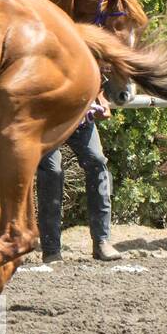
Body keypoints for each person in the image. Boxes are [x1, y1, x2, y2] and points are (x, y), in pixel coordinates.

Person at [36, 93, 122, 262]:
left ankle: (102, 241)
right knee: (52, 171)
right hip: (48, 121)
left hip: (81, 119)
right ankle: (51, 249)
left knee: (97, 161)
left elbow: (97, 79)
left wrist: (102, 101)